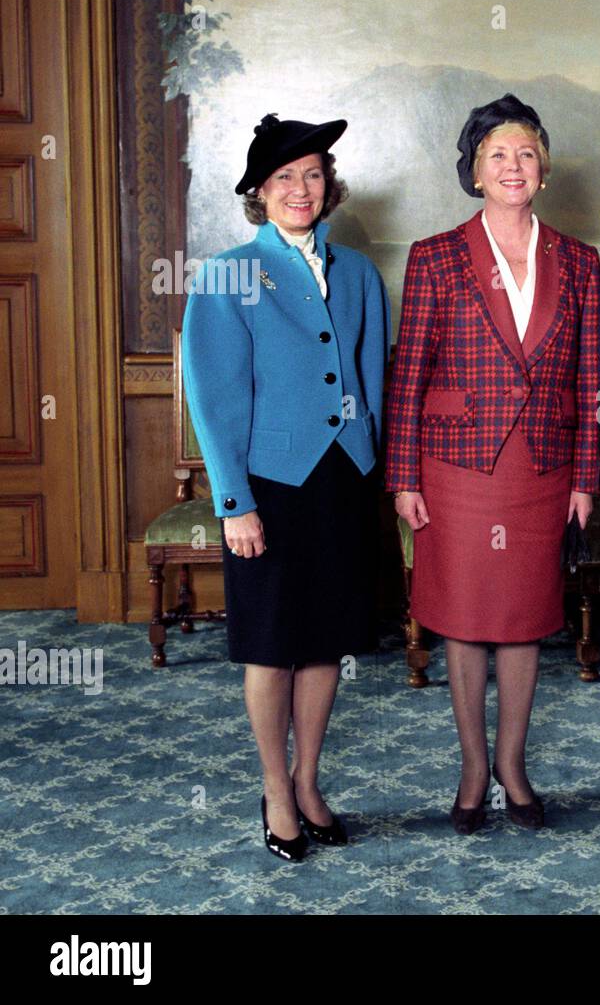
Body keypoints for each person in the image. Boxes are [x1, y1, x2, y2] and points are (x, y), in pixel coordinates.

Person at [385, 95, 600, 835]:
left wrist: (585, 477)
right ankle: (474, 768)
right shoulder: (436, 256)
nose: (514, 167)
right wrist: (403, 478)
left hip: (541, 470)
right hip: (458, 471)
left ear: (543, 170)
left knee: (522, 622)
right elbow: (407, 374)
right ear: (474, 172)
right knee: (465, 622)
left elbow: (590, 378)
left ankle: (513, 764)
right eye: (497, 155)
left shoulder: (579, 260)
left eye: (527, 154)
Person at [183, 114, 390, 861]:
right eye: (283, 179)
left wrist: (375, 469)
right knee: (272, 646)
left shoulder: (360, 273)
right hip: (269, 485)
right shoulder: (228, 275)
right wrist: (234, 503)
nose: (301, 189)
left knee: (327, 641)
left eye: (312, 174)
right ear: (259, 194)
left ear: (327, 185)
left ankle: (309, 781)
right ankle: (275, 789)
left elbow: (371, 378)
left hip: (341, 479)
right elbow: (213, 399)